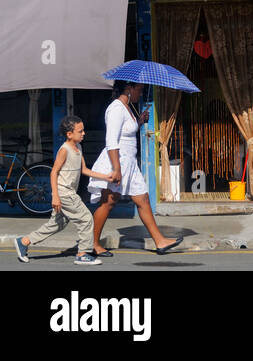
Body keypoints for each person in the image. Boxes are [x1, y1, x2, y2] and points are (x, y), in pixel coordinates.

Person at [89, 81, 184, 256]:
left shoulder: (127, 108)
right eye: (139, 89)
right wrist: (116, 169)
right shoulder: (116, 108)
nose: (141, 93)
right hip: (117, 162)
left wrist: (139, 121)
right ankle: (93, 244)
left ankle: (160, 241)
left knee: (143, 200)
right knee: (108, 203)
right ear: (129, 88)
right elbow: (111, 141)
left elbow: (126, 132)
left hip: (129, 163)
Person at [14, 116, 114, 265]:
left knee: (56, 224)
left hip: (68, 192)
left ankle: (24, 241)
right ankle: (82, 253)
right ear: (69, 134)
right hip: (64, 192)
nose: (84, 133)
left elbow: (84, 170)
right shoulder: (64, 150)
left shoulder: (78, 147)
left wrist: (106, 177)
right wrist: (55, 196)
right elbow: (53, 172)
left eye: (83, 130)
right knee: (86, 219)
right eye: (80, 131)